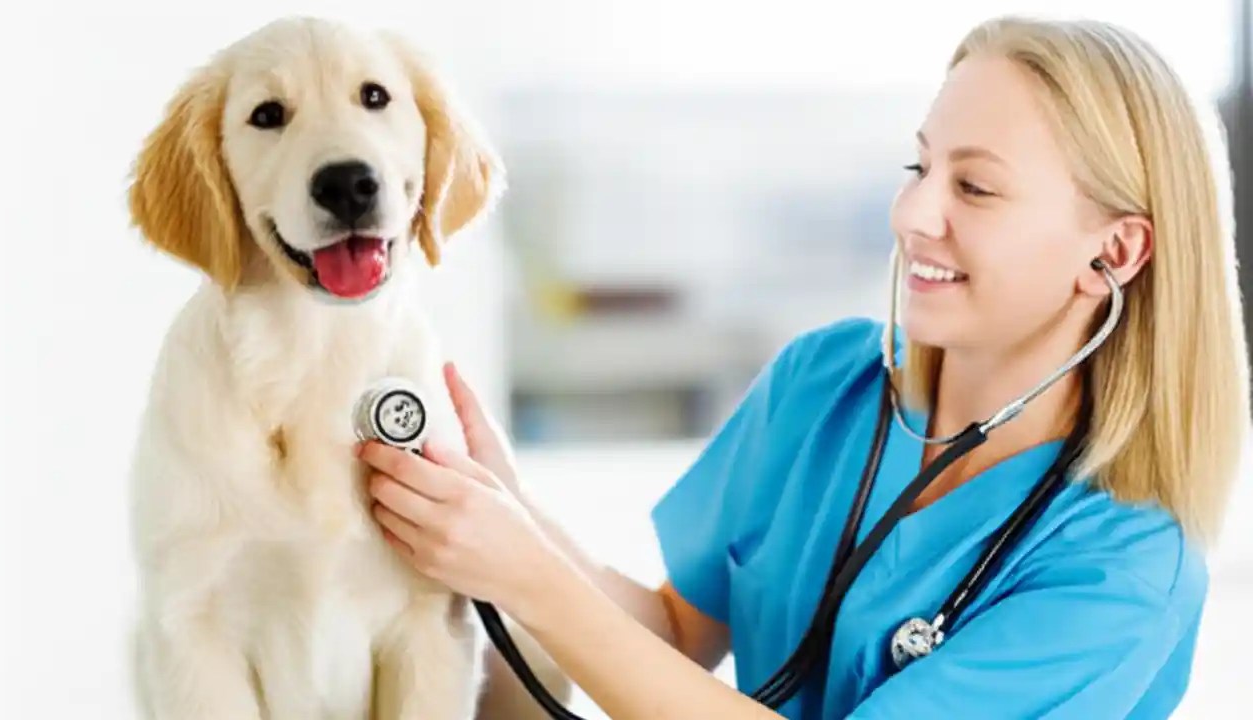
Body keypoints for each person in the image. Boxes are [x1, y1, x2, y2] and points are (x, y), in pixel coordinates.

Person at [356, 15, 1251, 720]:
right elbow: (673, 640)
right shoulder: (826, 385)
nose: (912, 213)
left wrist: (528, 575)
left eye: (974, 187)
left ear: (1116, 253)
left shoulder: (1121, 570)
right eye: (921, 165)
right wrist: (513, 513)